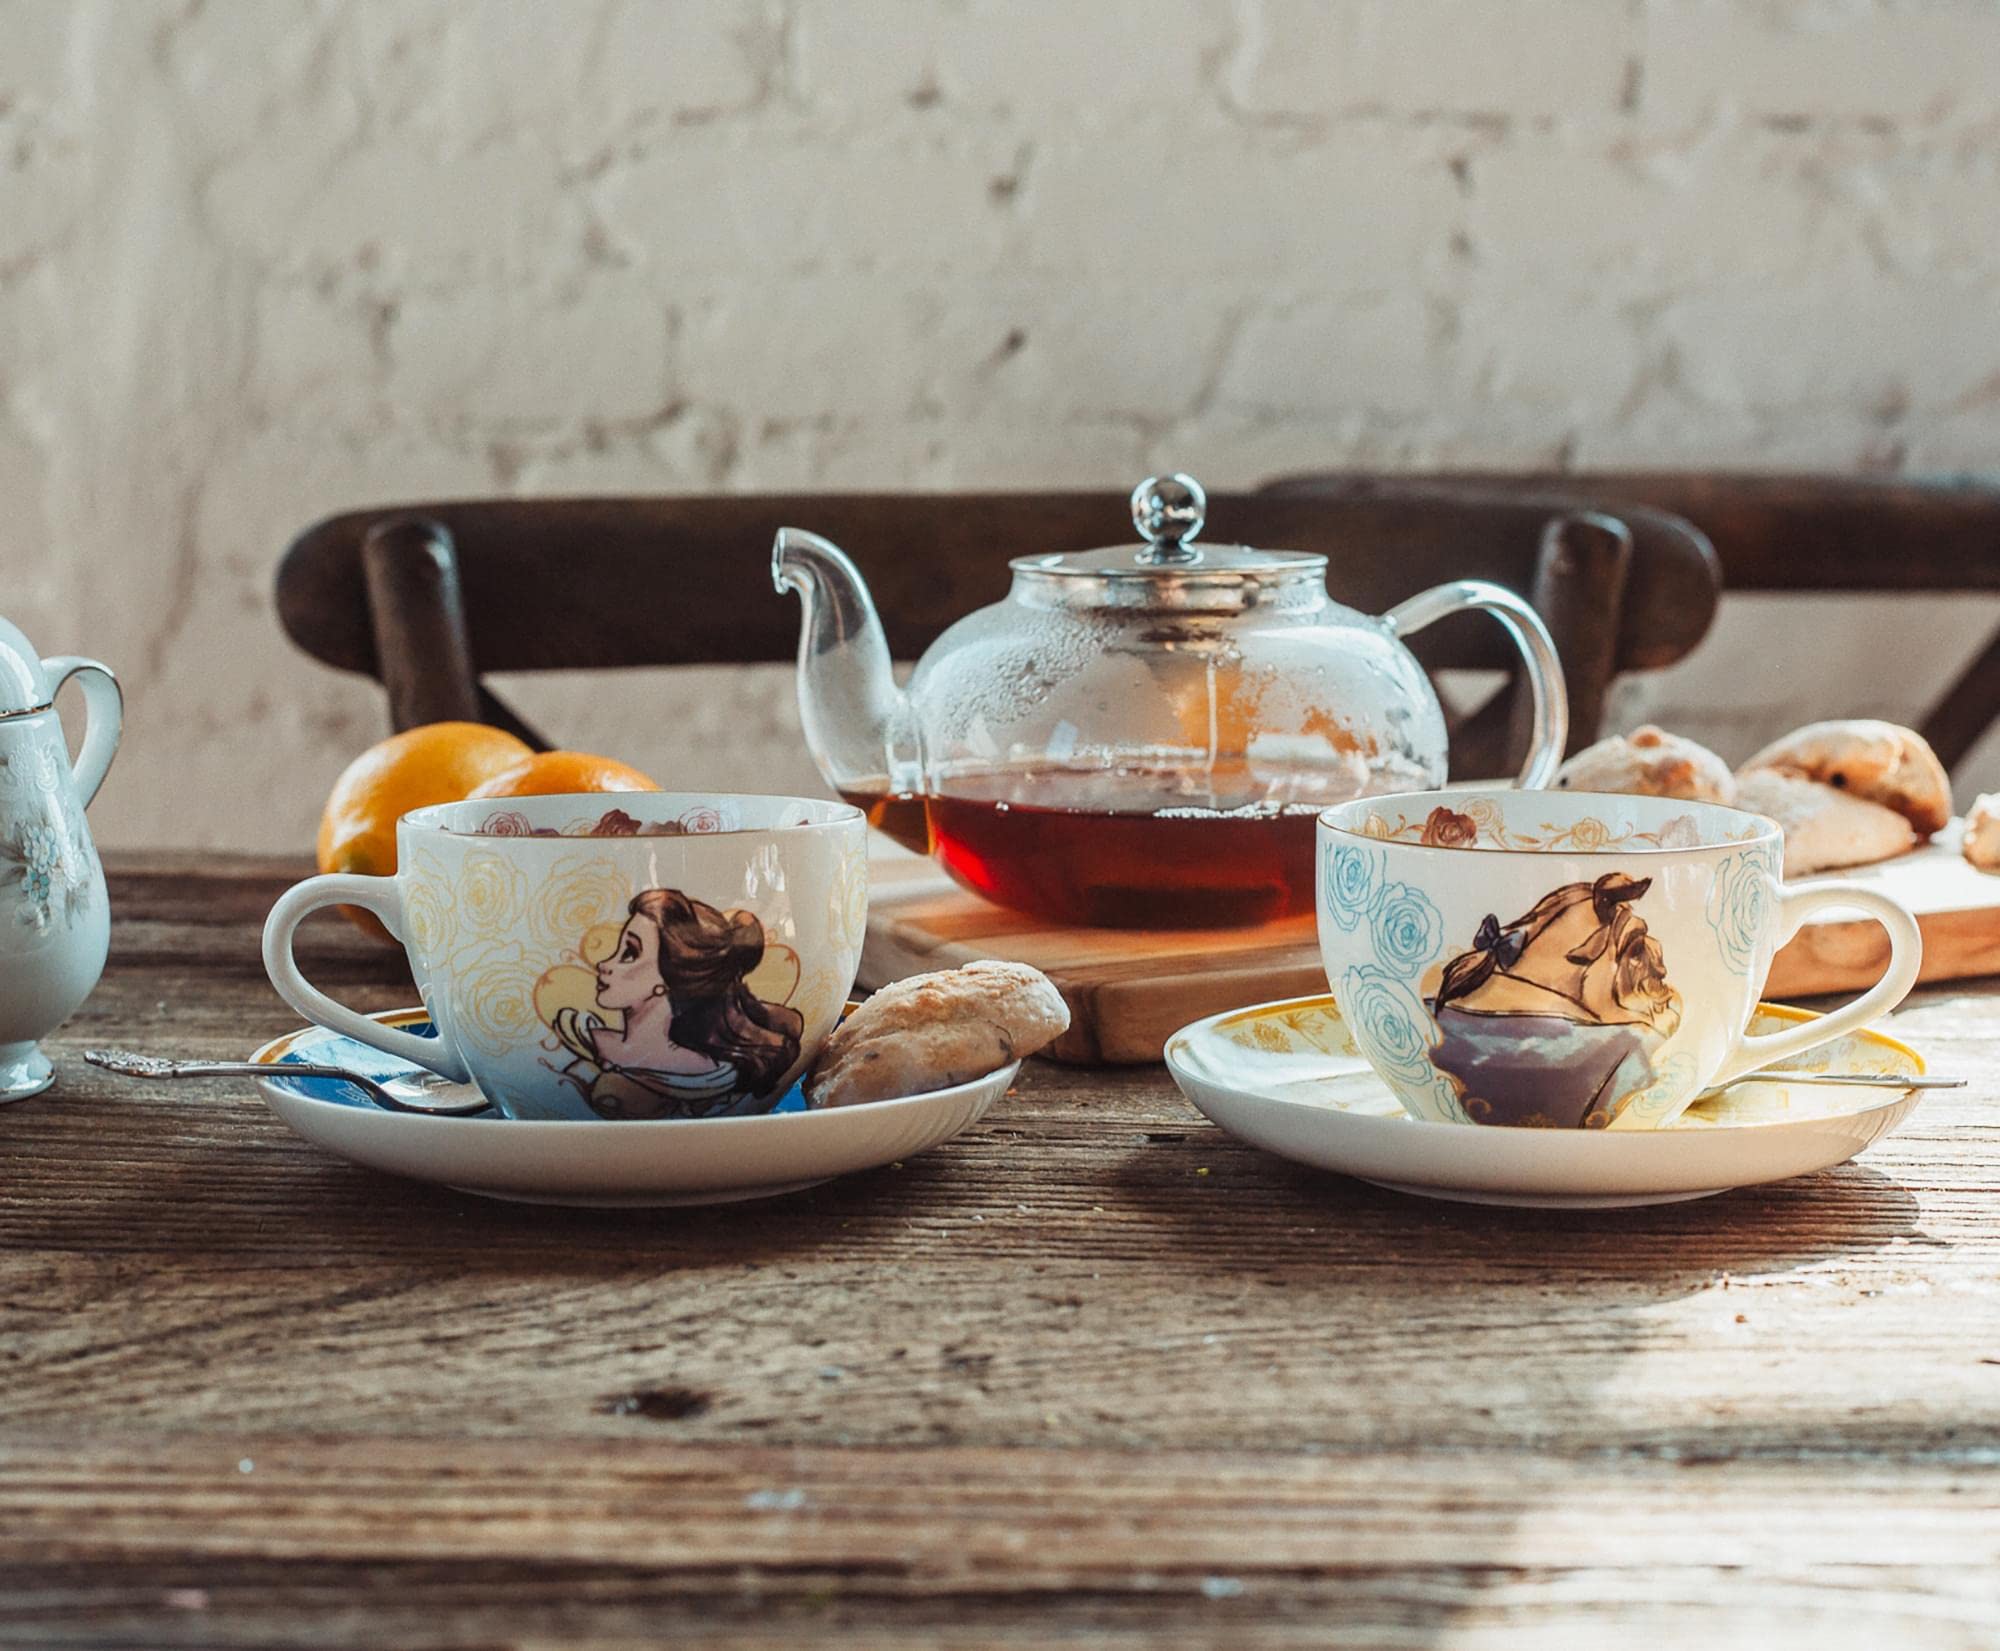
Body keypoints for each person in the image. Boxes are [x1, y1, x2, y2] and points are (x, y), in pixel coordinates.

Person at [552, 889, 804, 1119]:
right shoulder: (581, 1033)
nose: (604, 964)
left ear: (669, 978)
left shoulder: (707, 1076)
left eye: (629, 953)